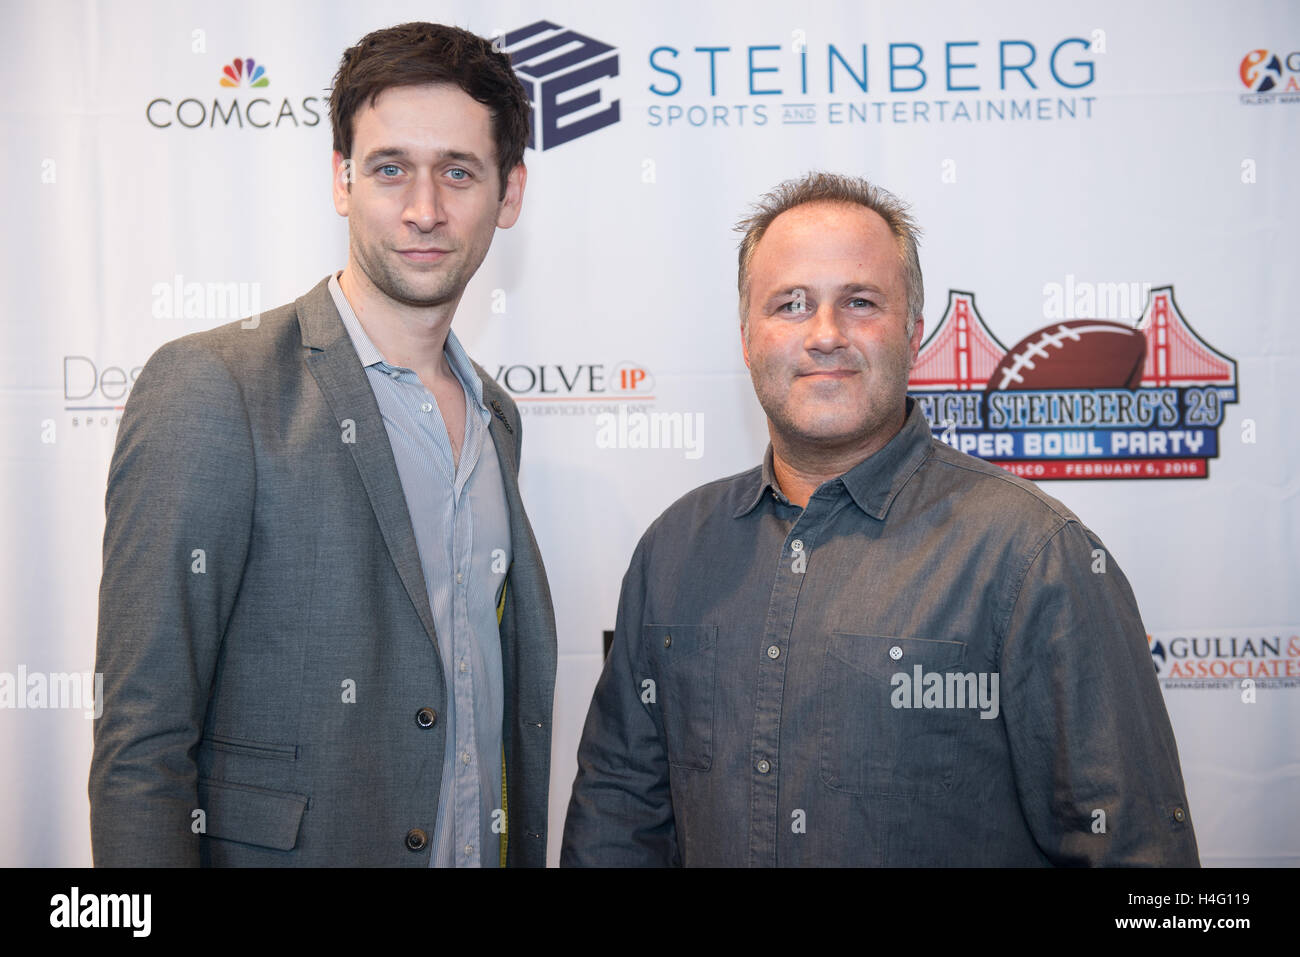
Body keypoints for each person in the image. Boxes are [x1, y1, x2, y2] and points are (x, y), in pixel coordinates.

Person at [561, 172, 1199, 866]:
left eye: (861, 302)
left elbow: (1136, 854)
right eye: (791, 304)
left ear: (914, 334)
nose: (825, 335)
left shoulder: (1035, 555)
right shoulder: (676, 549)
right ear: (747, 337)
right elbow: (618, 817)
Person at [89, 22, 556, 867]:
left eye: (459, 171)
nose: (424, 207)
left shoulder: (498, 418)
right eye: (389, 169)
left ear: (509, 192)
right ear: (342, 181)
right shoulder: (214, 387)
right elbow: (141, 743)